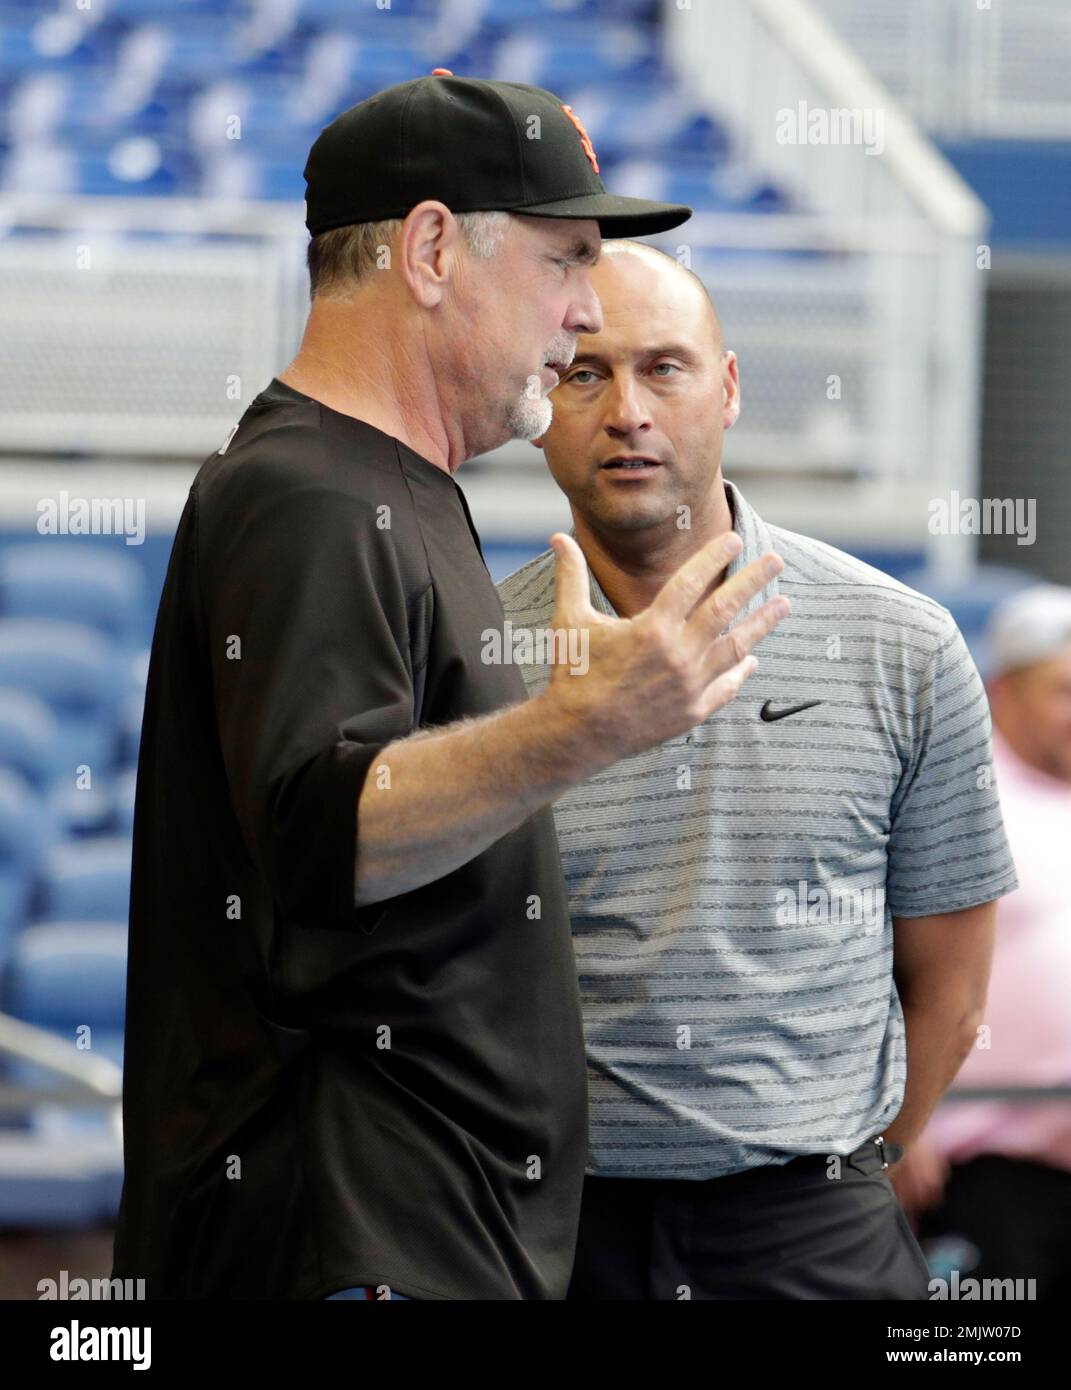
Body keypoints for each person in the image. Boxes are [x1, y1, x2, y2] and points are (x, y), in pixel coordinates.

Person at [111, 76, 791, 1301]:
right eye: (566, 259)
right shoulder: (311, 497)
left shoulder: (393, 485)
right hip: (351, 1242)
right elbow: (329, 833)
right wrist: (581, 729)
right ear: (431, 250)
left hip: (421, 1239)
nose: (584, 315)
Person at [495, 240, 1019, 1299]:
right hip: (549, 1231)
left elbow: (954, 994)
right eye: (584, 372)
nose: (628, 410)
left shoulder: (901, 645)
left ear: (728, 389)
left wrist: (853, 1163)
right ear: (538, 404)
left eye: (666, 367)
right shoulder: (467, 650)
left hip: (815, 1232)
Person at [900, 585, 1071, 1301]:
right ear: (1003, 691)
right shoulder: (961, 798)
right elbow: (888, 966)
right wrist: (900, 1124)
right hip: (982, 1161)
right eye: (1063, 689)